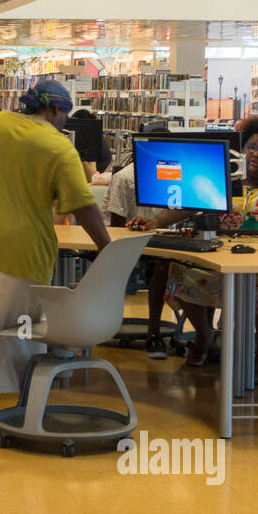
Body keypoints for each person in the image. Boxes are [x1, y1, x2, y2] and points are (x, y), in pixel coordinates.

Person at [0, 80, 111, 444]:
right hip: (24, 258)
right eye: (64, 115)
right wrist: (107, 249)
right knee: (28, 330)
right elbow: (84, 206)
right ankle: (27, 404)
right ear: (55, 110)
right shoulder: (58, 147)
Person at [155, 115, 258, 380]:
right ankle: (204, 334)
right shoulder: (224, 177)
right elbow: (189, 204)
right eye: (251, 147)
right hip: (219, 254)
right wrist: (154, 221)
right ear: (240, 149)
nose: (256, 153)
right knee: (181, 270)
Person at [102, 120, 171, 359]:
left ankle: (205, 334)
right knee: (161, 264)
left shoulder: (176, 175)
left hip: (171, 240)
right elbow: (117, 227)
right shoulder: (126, 178)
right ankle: (154, 333)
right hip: (133, 241)